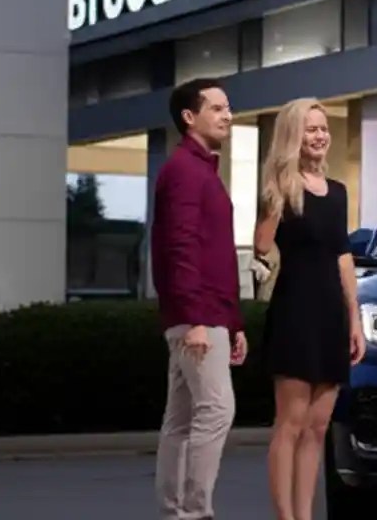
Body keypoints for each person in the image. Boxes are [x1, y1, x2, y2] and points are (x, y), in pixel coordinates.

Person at [254, 97, 365, 520]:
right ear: (293, 138)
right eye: (310, 129)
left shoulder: (337, 193)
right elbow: (262, 248)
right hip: (295, 313)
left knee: (318, 429)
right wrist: (275, 201)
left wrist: (354, 319)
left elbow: (343, 257)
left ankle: (305, 515)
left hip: (332, 316)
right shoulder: (280, 188)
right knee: (291, 424)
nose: (320, 136)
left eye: (323, 128)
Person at [151, 77, 248, 520]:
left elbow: (214, 254)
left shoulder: (200, 171)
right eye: (217, 108)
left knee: (183, 420)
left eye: (228, 107)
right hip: (197, 315)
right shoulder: (185, 172)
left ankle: (177, 512)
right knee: (217, 411)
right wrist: (195, 320)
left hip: (207, 315)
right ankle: (194, 512)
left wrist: (234, 322)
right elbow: (181, 248)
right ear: (190, 118)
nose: (227, 115)